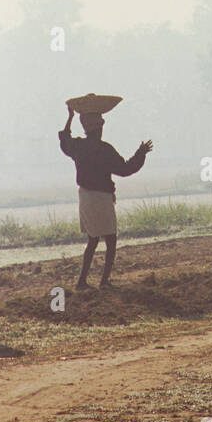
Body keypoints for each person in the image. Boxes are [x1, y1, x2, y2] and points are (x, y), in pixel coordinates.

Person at [59, 102, 153, 289]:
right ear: (99, 128)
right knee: (111, 239)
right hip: (102, 198)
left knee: (92, 240)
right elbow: (126, 169)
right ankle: (103, 281)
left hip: (85, 197)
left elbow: (65, 141)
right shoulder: (104, 149)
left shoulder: (78, 146)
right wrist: (140, 154)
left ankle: (82, 281)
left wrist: (69, 117)